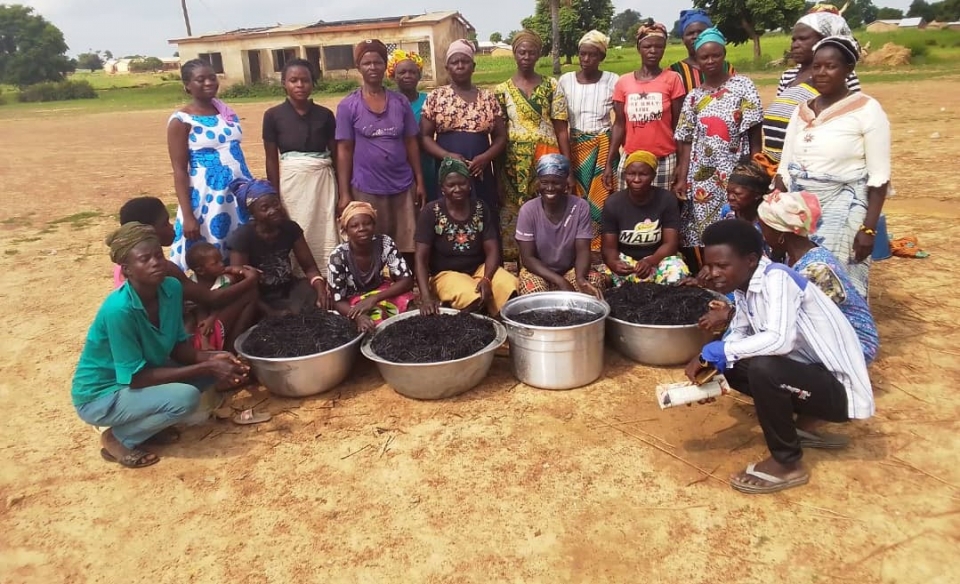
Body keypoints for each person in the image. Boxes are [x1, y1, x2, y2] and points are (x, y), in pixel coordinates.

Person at [686, 219, 874, 494]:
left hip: (840, 393)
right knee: (735, 366)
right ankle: (805, 426)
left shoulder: (778, 278)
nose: (712, 273)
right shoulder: (743, 287)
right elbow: (739, 335)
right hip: (812, 377)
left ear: (751, 260)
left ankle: (787, 464)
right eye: (709, 265)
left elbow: (779, 340)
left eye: (721, 266)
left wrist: (720, 350)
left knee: (764, 368)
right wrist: (712, 367)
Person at [73, 222, 250, 468]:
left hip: (140, 376)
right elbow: (136, 378)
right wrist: (204, 367)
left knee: (216, 362)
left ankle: (147, 427)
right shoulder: (119, 310)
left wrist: (215, 360)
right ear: (127, 270)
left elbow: (179, 347)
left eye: (158, 255)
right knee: (185, 397)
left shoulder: (171, 288)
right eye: (144, 259)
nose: (156, 262)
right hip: (102, 394)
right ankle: (118, 437)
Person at [775, 36, 890, 298]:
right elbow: (785, 165)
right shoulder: (802, 110)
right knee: (800, 280)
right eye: (817, 66)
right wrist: (778, 206)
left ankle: (844, 335)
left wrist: (868, 229)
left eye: (831, 66)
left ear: (848, 69)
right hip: (800, 210)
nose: (821, 73)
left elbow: (879, 177)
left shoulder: (867, 110)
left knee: (838, 283)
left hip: (844, 207)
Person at [674, 27, 763, 271]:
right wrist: (682, 177)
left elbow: (755, 131)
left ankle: (740, 276)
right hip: (703, 177)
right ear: (697, 60)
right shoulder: (694, 97)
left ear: (724, 55)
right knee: (706, 229)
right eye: (705, 57)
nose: (711, 61)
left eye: (716, 55)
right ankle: (713, 275)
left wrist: (756, 171)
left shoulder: (742, 85)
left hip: (736, 172)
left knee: (738, 225)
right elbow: (685, 139)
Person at [758, 190, 879, 363]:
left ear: (781, 234)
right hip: (830, 336)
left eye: (764, 229)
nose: (763, 235)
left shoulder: (816, 270)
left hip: (853, 346)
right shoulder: (795, 256)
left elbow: (820, 322)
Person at [336, 39, 425, 261]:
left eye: (377, 62)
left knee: (406, 242)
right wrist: (345, 192)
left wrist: (420, 181)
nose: (373, 67)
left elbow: (411, 142)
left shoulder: (400, 102)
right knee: (370, 242)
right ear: (359, 67)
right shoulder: (348, 106)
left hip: (402, 184)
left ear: (385, 66)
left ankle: (405, 287)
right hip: (366, 186)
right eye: (367, 63)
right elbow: (344, 150)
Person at [167, 59, 253, 270]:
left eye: (212, 78)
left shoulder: (227, 113)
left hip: (237, 192)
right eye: (200, 79)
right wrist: (188, 215)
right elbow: (179, 171)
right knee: (207, 252)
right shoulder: (182, 120)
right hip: (207, 196)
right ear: (187, 85)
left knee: (240, 245)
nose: (208, 83)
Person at [495, 30, 572, 262]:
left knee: (547, 207)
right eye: (521, 52)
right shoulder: (501, 90)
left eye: (531, 52)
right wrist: (498, 175)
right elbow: (499, 136)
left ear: (539, 54)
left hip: (546, 159)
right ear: (514, 54)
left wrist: (567, 169)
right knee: (513, 210)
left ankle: (545, 261)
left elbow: (560, 128)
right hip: (512, 164)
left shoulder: (551, 85)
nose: (526, 56)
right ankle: (514, 263)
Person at [115, 196, 261, 313]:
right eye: (165, 223)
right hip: (169, 332)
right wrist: (249, 280)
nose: (172, 227)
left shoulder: (124, 265)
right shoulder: (165, 268)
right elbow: (212, 299)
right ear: (149, 231)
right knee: (247, 295)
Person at [262, 58, 339, 277]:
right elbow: (271, 159)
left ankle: (327, 275)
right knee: (296, 225)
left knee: (324, 228)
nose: (299, 85)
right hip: (291, 183)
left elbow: (336, 155)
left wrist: (342, 191)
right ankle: (299, 278)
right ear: (284, 83)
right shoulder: (273, 116)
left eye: (305, 80)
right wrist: (274, 194)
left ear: (313, 83)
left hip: (322, 182)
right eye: (293, 80)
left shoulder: (325, 115)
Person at [416, 158, 518, 315]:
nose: (457, 189)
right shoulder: (431, 211)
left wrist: (487, 279)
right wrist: (426, 296)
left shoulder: (480, 207)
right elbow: (421, 259)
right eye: (451, 185)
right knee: (472, 297)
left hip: (479, 270)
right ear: (442, 188)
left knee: (509, 286)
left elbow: (492, 249)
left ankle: (501, 325)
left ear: (470, 184)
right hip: (445, 274)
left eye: (462, 183)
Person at [762, 5, 860, 162]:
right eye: (793, 39)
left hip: (811, 164)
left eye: (803, 39)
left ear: (824, 41)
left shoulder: (841, 77)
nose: (795, 44)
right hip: (775, 165)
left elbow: (851, 120)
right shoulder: (788, 76)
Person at [421, 39, 507, 213]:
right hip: (448, 173)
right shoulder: (436, 97)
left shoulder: (488, 98)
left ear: (473, 66)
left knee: (482, 215)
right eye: (454, 62)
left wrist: (485, 158)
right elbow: (424, 137)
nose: (460, 66)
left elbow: (501, 137)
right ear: (447, 68)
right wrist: (447, 156)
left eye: (465, 61)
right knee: (450, 216)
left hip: (480, 170)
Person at [225, 178, 333, 316]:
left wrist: (321, 290)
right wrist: (272, 313)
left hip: (287, 289)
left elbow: (310, 268)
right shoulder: (243, 236)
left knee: (313, 294)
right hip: (258, 297)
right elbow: (241, 287)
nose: (274, 210)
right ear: (252, 213)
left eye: (276, 204)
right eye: (265, 208)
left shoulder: (290, 228)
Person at [607, 22, 686, 197]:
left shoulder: (673, 79)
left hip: (664, 159)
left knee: (660, 210)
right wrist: (608, 162)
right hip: (632, 160)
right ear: (639, 48)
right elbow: (619, 125)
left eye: (659, 46)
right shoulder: (624, 82)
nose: (653, 50)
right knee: (629, 208)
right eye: (647, 46)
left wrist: (681, 164)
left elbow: (678, 126)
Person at [558, 30, 618, 251]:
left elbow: (619, 122)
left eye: (592, 55)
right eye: (582, 54)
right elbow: (561, 123)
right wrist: (566, 165)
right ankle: (575, 247)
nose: (586, 59)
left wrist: (611, 160)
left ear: (601, 56)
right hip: (573, 148)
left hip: (603, 147)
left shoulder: (612, 80)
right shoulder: (565, 81)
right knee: (573, 199)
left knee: (601, 200)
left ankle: (599, 250)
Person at [515, 154, 606, 297]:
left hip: (570, 269)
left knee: (592, 283)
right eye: (544, 182)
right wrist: (560, 281)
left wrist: (580, 279)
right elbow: (528, 258)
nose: (550, 188)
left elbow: (583, 251)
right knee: (535, 294)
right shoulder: (528, 210)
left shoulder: (580, 207)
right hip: (538, 271)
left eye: (556, 183)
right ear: (538, 183)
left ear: (565, 183)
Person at [600, 151, 689, 286]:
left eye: (643, 174)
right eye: (631, 174)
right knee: (598, 280)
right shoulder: (613, 203)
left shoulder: (667, 200)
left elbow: (670, 244)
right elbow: (609, 248)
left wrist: (650, 261)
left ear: (653, 175)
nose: (636, 179)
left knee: (676, 273)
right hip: (627, 261)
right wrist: (614, 263)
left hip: (658, 260)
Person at [328, 202, 415, 333]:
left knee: (409, 306)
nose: (362, 228)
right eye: (354, 226)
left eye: (367, 223)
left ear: (374, 225)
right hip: (352, 301)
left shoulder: (384, 243)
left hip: (380, 292)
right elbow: (338, 301)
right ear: (345, 231)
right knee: (373, 320)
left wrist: (374, 298)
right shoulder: (338, 257)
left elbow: (407, 280)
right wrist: (358, 316)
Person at [184, 242, 257, 353]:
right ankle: (207, 342)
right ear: (200, 270)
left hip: (213, 321)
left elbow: (221, 302)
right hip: (197, 327)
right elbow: (196, 308)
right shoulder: (191, 283)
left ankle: (230, 347)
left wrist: (211, 318)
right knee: (198, 307)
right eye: (215, 263)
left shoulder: (225, 280)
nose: (222, 264)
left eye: (221, 260)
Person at [388, 49, 438, 204]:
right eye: (402, 72)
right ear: (393, 75)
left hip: (426, 164)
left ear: (420, 75)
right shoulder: (386, 101)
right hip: (396, 164)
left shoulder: (429, 100)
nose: (407, 76)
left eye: (412, 72)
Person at [669, 10, 736, 95]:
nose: (696, 36)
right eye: (690, 33)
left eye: (701, 32)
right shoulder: (674, 71)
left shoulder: (727, 67)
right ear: (683, 39)